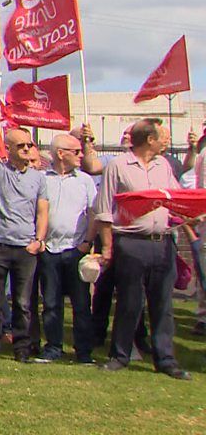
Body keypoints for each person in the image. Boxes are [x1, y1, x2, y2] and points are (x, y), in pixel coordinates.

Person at [95, 118, 192, 380]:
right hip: (131, 244)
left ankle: (165, 359)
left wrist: (194, 211)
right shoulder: (118, 166)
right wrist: (107, 247)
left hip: (162, 243)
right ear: (149, 139)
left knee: (162, 303)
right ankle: (120, 355)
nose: (166, 140)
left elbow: (177, 198)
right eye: (162, 136)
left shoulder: (164, 166)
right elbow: (104, 209)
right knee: (129, 302)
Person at [0, 106, 47, 364]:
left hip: (24, 248)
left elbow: (42, 211)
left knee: (23, 303)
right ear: (8, 149)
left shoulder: (39, 179)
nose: (27, 150)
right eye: (21, 146)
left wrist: (38, 241)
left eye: (29, 145)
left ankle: (22, 349)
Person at [35, 133, 98, 364]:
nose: (81, 156)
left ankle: (83, 352)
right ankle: (53, 347)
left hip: (75, 250)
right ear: (61, 154)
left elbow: (94, 213)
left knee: (81, 304)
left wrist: (87, 243)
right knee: (51, 303)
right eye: (76, 151)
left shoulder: (85, 181)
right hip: (49, 250)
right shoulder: (42, 179)